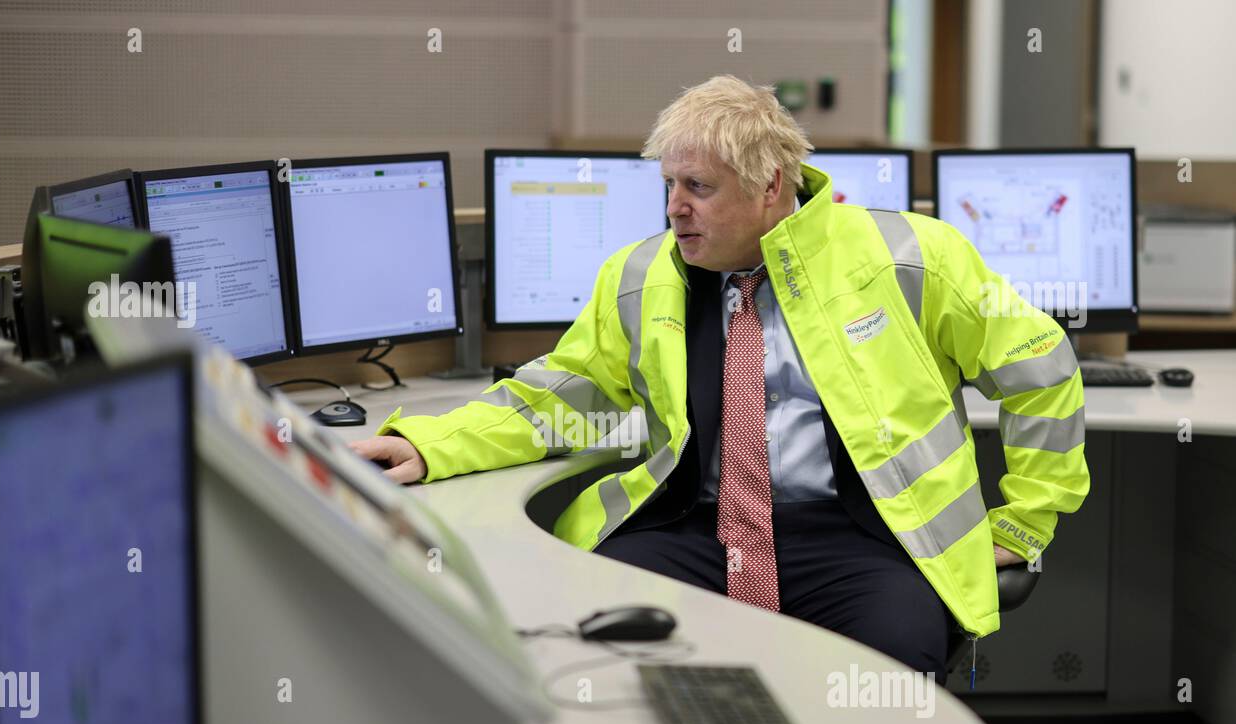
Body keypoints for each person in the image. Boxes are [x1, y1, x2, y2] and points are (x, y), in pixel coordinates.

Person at [352, 75, 1090, 679]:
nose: (675, 207)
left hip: (866, 537)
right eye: (669, 184)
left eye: (698, 187)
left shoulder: (906, 258)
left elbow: (1043, 368)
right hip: (698, 530)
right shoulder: (642, 277)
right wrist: (431, 444)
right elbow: (559, 391)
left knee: (885, 683)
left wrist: (1025, 520)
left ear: (770, 186)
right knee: (598, 653)